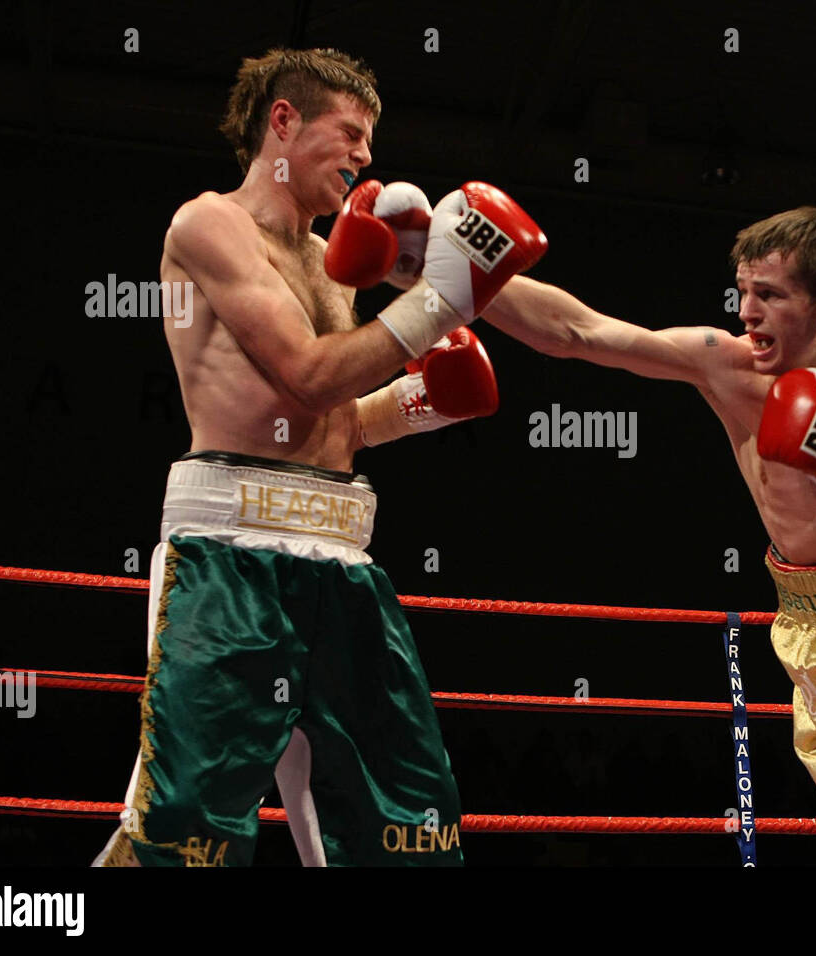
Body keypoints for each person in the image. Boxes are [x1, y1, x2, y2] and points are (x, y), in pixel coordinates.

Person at [95, 47, 545, 866]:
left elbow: (339, 422)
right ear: (283, 122)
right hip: (230, 553)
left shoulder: (333, 261)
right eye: (351, 132)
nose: (367, 156)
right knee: (188, 820)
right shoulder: (210, 225)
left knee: (402, 816)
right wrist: (440, 297)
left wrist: (423, 402)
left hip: (340, 551)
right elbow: (303, 379)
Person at [481, 207, 816, 866]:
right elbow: (580, 331)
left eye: (771, 296)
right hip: (811, 627)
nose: (747, 311)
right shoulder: (727, 367)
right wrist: (459, 281)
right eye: (744, 291)